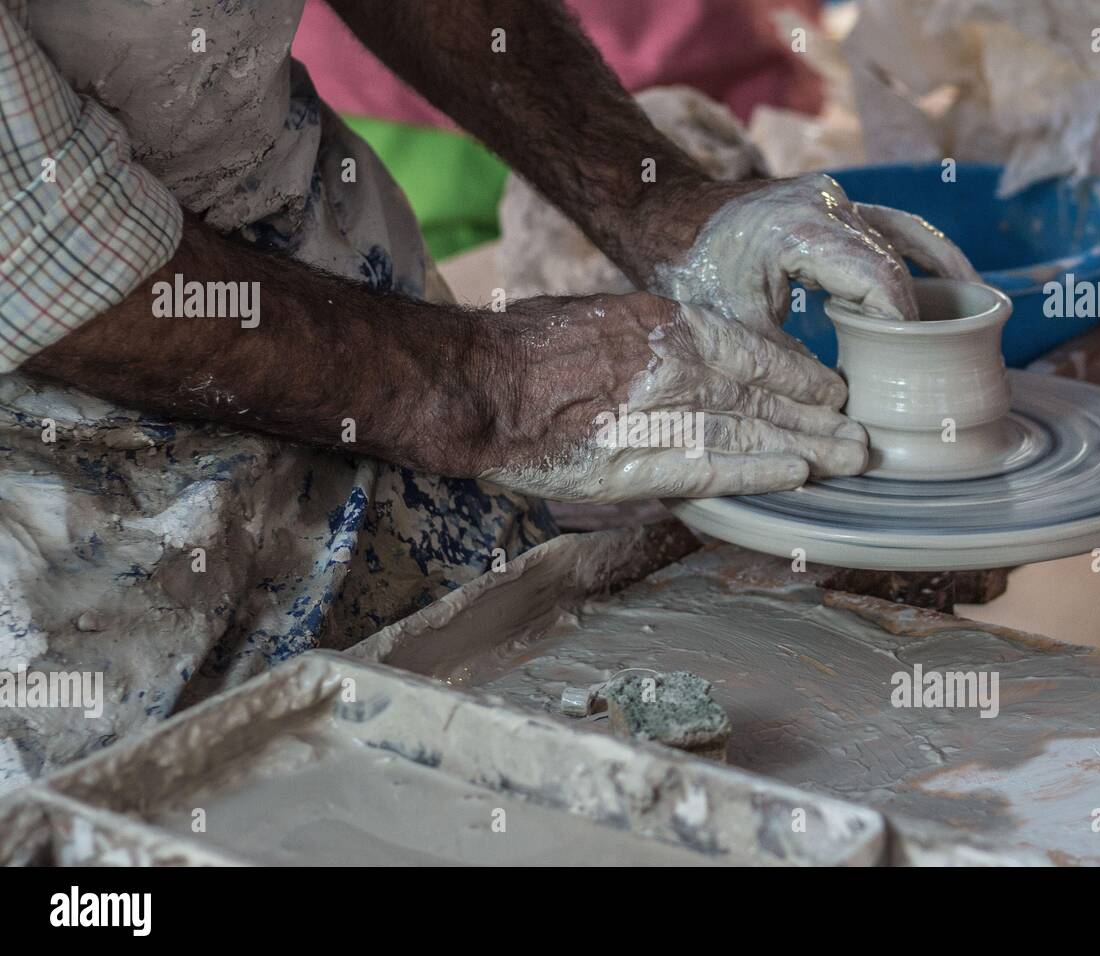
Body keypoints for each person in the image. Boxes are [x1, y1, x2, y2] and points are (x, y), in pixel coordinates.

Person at [0, 0, 972, 791]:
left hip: (305, 245)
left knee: (504, 740)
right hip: (55, 434)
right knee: (194, 810)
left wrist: (651, 200)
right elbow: (39, 253)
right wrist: (482, 389)